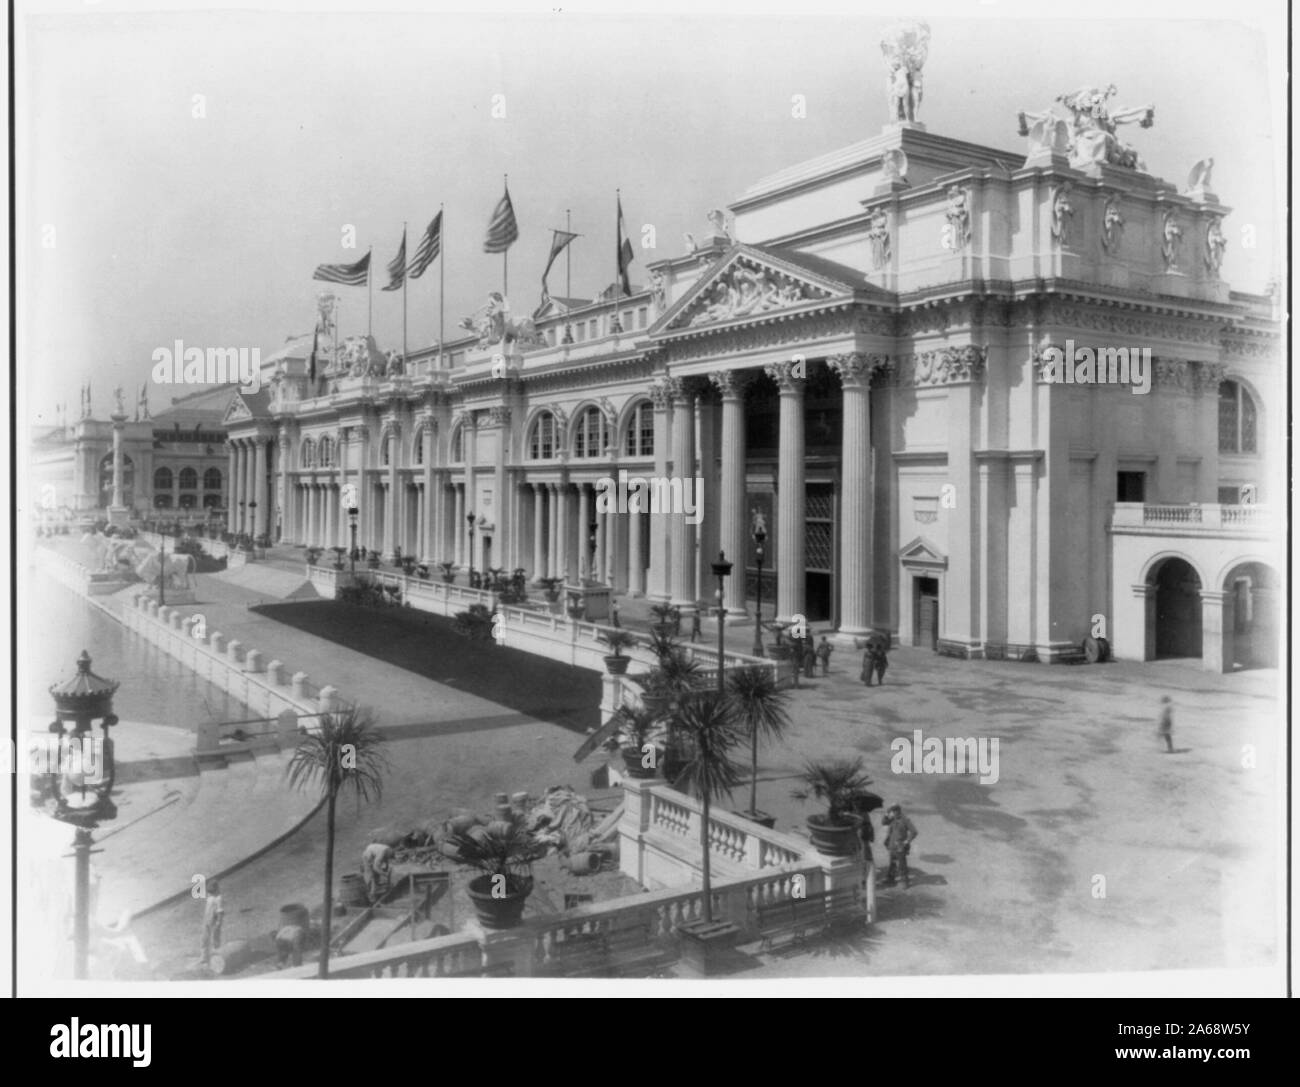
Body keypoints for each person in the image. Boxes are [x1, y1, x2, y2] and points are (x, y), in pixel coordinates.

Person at [883, 804, 918, 889]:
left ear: (899, 811)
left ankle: (904, 882)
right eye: (892, 811)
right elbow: (883, 822)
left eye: (894, 811)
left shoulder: (905, 820)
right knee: (892, 863)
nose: (893, 813)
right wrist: (886, 814)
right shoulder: (892, 819)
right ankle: (890, 879)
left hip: (900, 846)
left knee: (902, 864)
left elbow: (914, 832)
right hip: (892, 845)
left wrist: (907, 841)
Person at [199, 880, 224, 965]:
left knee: (215, 939)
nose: (210, 893)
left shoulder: (218, 898)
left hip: (214, 921)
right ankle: (204, 957)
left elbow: (220, 911)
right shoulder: (210, 897)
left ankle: (216, 958)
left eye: (212, 891)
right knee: (204, 939)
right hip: (207, 920)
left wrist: (219, 922)